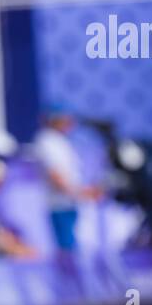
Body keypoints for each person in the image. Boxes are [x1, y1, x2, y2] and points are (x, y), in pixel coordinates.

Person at [33, 106, 101, 253]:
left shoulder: (61, 141)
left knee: (78, 249)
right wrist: (81, 193)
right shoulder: (46, 141)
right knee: (68, 252)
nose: (70, 122)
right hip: (60, 206)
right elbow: (55, 176)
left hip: (72, 204)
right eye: (66, 118)